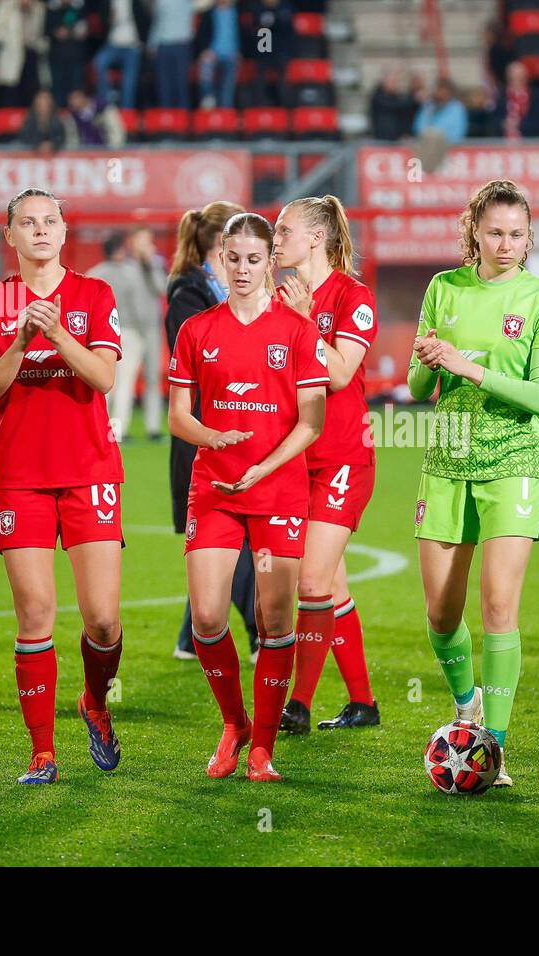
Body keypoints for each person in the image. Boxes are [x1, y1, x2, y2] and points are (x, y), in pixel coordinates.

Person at [408, 179, 539, 787]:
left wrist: (467, 366)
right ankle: (466, 704)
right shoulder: (442, 289)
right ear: (474, 231)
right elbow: (421, 390)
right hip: (447, 459)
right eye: (495, 232)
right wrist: (428, 364)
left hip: (512, 462)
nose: (506, 244)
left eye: (517, 234)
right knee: (441, 613)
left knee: (499, 606)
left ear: (530, 239)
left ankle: (492, 747)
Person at [0, 187, 125, 785]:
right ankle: (42, 752)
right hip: (20, 479)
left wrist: (58, 335)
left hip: (90, 472)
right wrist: (20, 342)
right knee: (35, 613)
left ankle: (94, 702)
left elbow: (105, 377)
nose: (39, 231)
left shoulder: (93, 294)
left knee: (104, 622)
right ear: (9, 237)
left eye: (49, 222)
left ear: (64, 232)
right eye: (26, 223)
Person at [168, 212, 328, 783]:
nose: (241, 269)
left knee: (274, 616)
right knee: (208, 617)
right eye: (231, 258)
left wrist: (262, 466)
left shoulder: (298, 331)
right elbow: (178, 416)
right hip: (214, 487)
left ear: (269, 262)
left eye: (253, 259)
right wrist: (213, 438)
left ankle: (262, 747)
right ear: (218, 258)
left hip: (278, 487)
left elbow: (311, 423)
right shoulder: (197, 331)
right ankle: (233, 724)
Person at [272, 197, 381, 733]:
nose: (276, 237)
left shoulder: (352, 296)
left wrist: (301, 319)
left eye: (284, 230)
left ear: (316, 238)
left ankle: (298, 704)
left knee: (310, 583)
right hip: (296, 457)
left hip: (341, 456)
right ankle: (363, 703)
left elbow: (339, 375)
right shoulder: (280, 296)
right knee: (331, 587)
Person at [164, 202, 260, 662]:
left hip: (236, 429)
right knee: (230, 533)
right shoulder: (188, 292)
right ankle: (261, 632)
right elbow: (196, 363)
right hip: (202, 431)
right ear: (219, 244)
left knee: (224, 536)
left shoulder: (225, 291)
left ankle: (190, 636)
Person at [89, 228, 166, 442]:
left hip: (105, 331)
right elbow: (140, 305)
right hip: (132, 331)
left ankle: (98, 427)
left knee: (107, 383)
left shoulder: (95, 271)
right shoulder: (129, 271)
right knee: (123, 384)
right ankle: (117, 431)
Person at [0, 0, 46, 108]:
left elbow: (42, 33)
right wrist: (12, 41)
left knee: (30, 92)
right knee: (10, 92)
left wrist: (39, 44)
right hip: (12, 56)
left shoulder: (39, 9)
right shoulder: (6, 6)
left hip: (31, 55)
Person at [93, 0, 148, 110]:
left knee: (129, 80)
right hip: (112, 45)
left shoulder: (136, 3)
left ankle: (126, 110)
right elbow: (102, 22)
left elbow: (145, 21)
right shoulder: (107, 3)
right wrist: (108, 20)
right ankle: (105, 104)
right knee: (99, 61)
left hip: (132, 46)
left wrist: (143, 44)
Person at [149, 0, 195, 110]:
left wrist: (151, 44)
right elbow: (157, 23)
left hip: (180, 44)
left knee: (179, 82)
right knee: (166, 83)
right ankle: (168, 117)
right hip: (167, 44)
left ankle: (180, 116)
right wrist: (152, 44)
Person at [47, 0, 92, 108]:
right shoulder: (52, 11)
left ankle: (77, 118)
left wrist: (72, 31)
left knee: (76, 89)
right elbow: (46, 30)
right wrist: (55, 33)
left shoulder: (77, 10)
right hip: (57, 57)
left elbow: (83, 30)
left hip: (76, 57)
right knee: (58, 89)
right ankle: (59, 115)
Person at [197, 0, 240, 109]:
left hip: (231, 56)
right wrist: (205, 51)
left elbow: (243, 36)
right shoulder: (208, 14)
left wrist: (240, 52)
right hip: (212, 55)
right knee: (205, 65)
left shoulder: (237, 13)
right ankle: (208, 98)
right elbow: (201, 36)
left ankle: (225, 111)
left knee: (227, 86)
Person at [414, 76, 468, 145]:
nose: (439, 92)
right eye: (438, 88)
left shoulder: (457, 108)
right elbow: (418, 127)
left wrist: (437, 138)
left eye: (442, 89)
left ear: (449, 91)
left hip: (449, 148)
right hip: (427, 146)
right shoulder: (428, 106)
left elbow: (457, 133)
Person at [369, 68, 418, 141]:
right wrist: (413, 99)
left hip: (396, 139)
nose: (396, 85)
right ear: (385, 82)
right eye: (393, 81)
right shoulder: (378, 96)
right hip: (382, 139)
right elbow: (394, 105)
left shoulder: (394, 96)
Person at [17, 89, 66, 154]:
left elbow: (62, 139)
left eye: (46, 99)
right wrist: (37, 145)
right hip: (31, 156)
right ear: (36, 102)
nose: (44, 102)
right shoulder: (28, 120)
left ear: (51, 102)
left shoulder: (59, 120)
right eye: (41, 98)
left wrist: (52, 145)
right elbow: (24, 139)